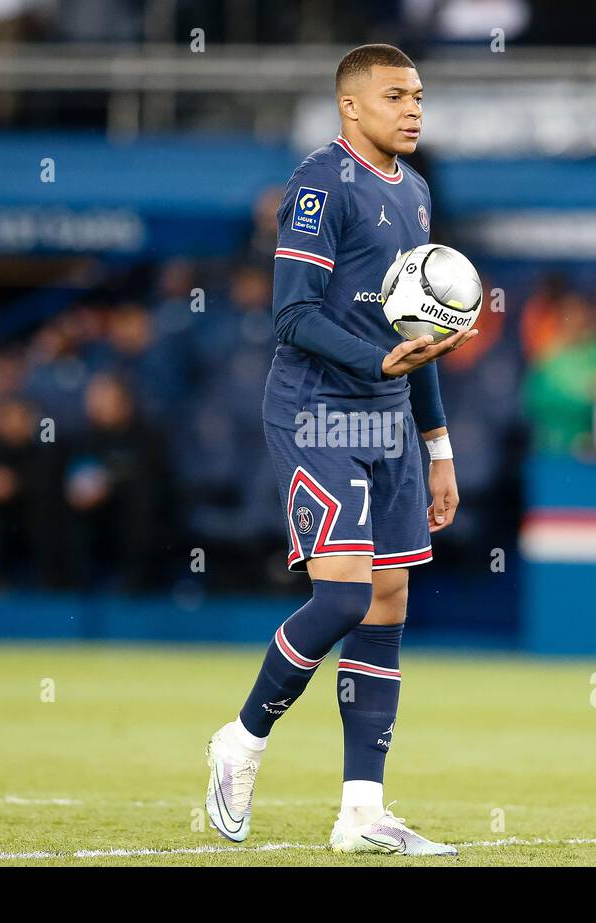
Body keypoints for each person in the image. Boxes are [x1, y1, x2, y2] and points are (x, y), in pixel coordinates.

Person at [202, 44, 477, 856]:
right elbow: (291, 315)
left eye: (419, 95)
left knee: (389, 604)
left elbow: (415, 340)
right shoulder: (320, 183)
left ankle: (361, 814)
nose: (413, 108)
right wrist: (375, 361)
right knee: (345, 599)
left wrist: (440, 446)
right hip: (317, 412)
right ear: (350, 107)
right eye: (395, 95)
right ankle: (241, 743)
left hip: (391, 418)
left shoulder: (419, 192)